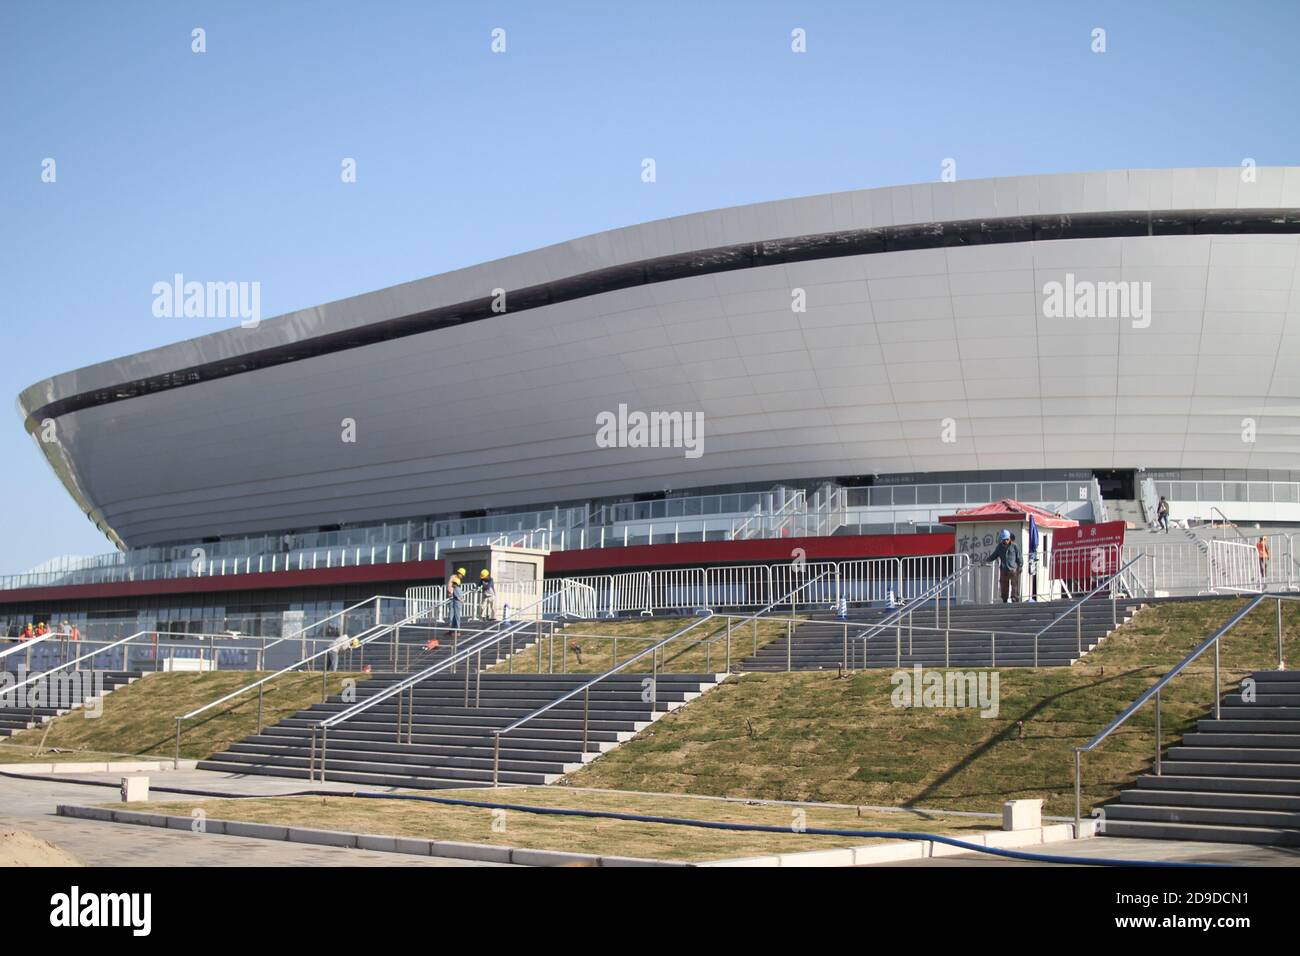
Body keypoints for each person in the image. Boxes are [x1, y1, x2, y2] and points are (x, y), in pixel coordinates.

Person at [986, 529, 1022, 604]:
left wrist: (1020, 566)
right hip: (1004, 570)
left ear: (1009, 539)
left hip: (1013, 569)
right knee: (1004, 586)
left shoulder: (1014, 546)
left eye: (1006, 539)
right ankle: (1004, 600)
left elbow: (1019, 557)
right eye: (1003, 539)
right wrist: (987, 560)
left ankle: (1014, 599)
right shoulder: (999, 547)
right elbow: (994, 555)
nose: (1005, 541)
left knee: (1015, 585)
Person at [446, 567, 465, 635]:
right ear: (459, 573)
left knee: (454, 615)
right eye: (462, 575)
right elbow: (450, 587)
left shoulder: (456, 579)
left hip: (454, 598)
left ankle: (453, 629)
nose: (462, 576)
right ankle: (454, 629)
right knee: (454, 614)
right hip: (453, 598)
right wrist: (452, 594)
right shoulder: (454, 578)